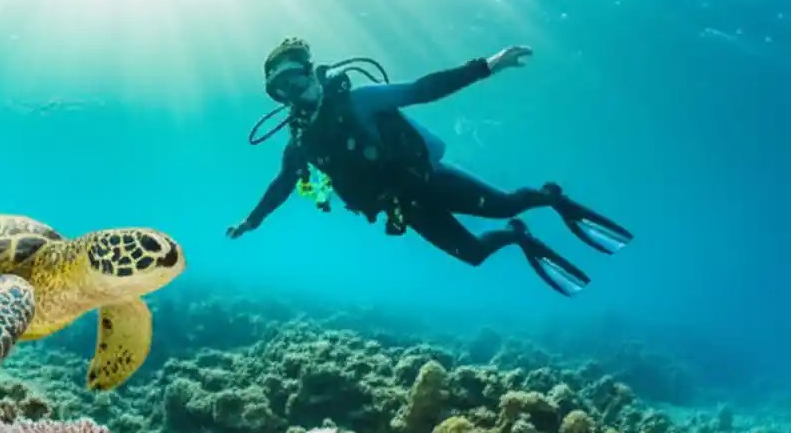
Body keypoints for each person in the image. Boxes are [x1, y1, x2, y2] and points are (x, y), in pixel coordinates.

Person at [226, 38, 634, 296]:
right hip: (406, 209)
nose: (292, 96)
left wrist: (488, 65)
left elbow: (422, 90)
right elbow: (283, 183)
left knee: (506, 203)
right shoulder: (300, 140)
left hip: (431, 180)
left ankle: (550, 197)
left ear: (312, 74)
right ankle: (516, 237)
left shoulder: (359, 101)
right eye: (280, 92)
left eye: (295, 82)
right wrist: (252, 221)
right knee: (474, 255)